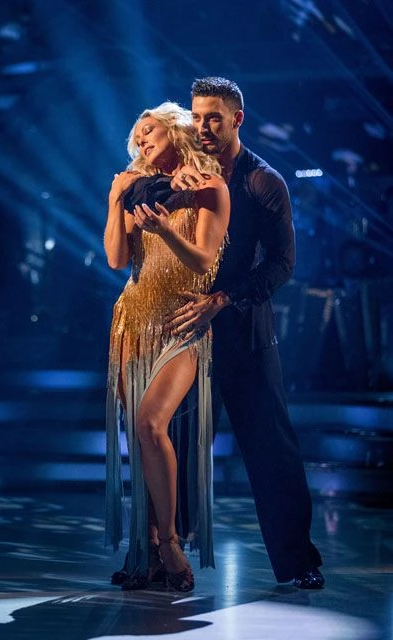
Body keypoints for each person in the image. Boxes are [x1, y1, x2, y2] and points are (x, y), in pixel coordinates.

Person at [166, 77, 325, 589]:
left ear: (237, 119)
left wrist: (222, 300)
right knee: (176, 444)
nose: (202, 126)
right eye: (196, 116)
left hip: (244, 331)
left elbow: (282, 264)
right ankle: (165, 555)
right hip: (186, 330)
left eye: (213, 117)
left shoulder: (263, 181)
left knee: (270, 446)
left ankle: (298, 562)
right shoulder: (184, 171)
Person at [103, 101, 230, 592]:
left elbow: (203, 263)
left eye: (149, 129)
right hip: (133, 321)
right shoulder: (136, 189)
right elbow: (116, 259)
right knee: (141, 439)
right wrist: (115, 198)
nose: (141, 139)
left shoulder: (209, 187)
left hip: (183, 322)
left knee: (150, 423)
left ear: (175, 131)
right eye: (137, 135)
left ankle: (171, 541)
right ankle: (147, 547)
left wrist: (163, 231)